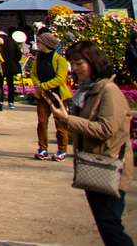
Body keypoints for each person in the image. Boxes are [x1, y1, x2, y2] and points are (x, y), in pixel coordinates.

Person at [49, 40, 136, 246]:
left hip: (109, 166)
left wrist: (68, 119)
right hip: (92, 164)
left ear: (93, 61)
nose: (75, 68)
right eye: (73, 63)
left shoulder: (109, 91)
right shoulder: (88, 90)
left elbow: (106, 129)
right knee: (107, 225)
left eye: (80, 63)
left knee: (111, 225)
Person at [28, 30, 73, 161]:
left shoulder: (60, 60)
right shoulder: (38, 58)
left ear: (46, 43)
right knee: (42, 122)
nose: (37, 45)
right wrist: (37, 84)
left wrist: (43, 85)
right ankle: (42, 148)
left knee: (60, 124)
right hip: (43, 96)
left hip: (58, 95)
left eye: (39, 42)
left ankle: (62, 149)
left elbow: (60, 78)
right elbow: (33, 73)